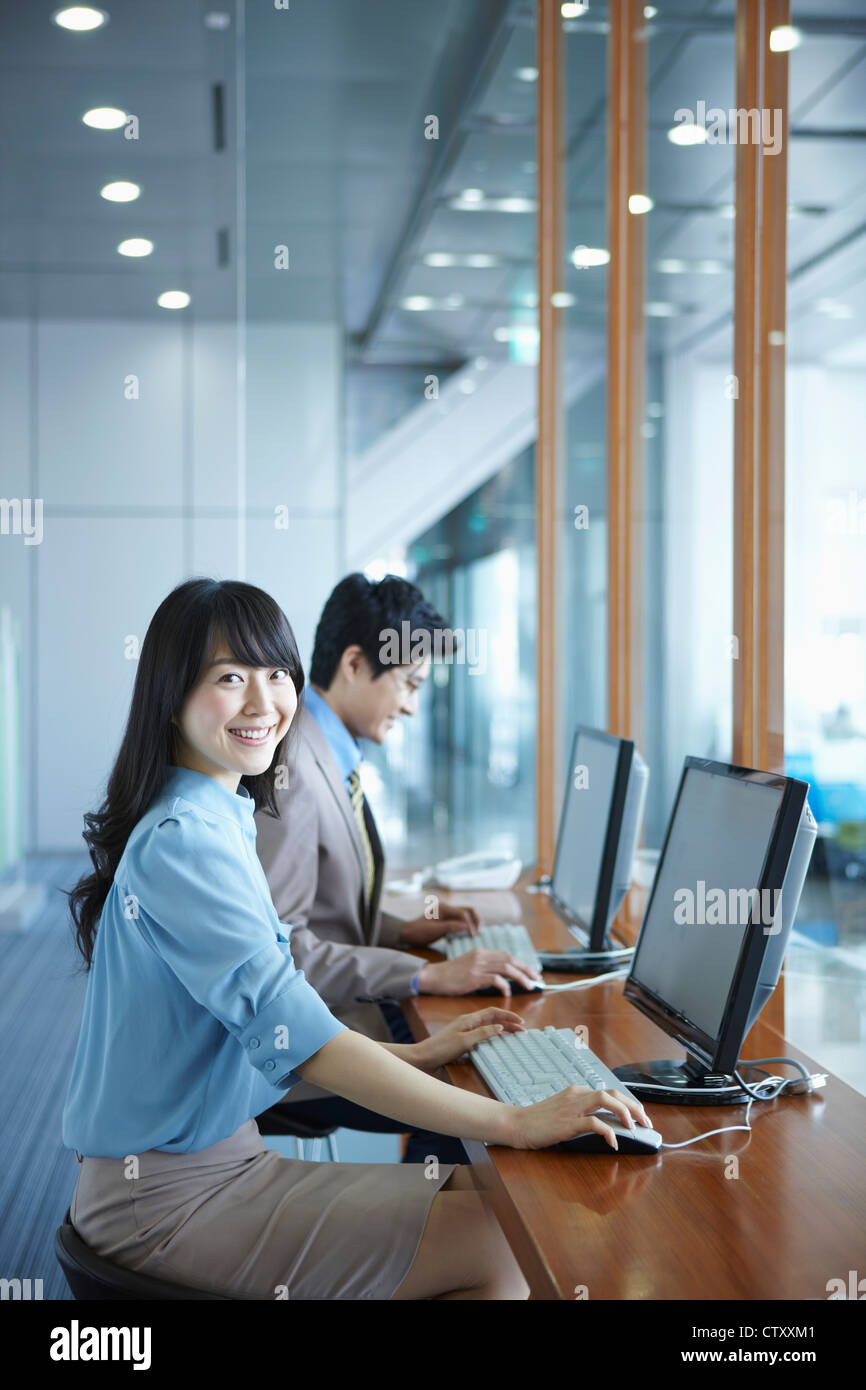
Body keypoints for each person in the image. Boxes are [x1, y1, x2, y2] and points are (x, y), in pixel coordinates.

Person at [62, 577, 650, 1301]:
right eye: (229, 678)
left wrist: (417, 1051)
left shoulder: (217, 813)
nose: (264, 701)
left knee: (494, 1200)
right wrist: (513, 1119)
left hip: (220, 1162)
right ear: (172, 692)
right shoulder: (187, 841)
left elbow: (264, 1027)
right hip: (165, 1203)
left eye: (277, 674)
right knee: (502, 1244)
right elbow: (297, 1032)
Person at [254, 573, 540, 1163]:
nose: (412, 705)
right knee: (472, 1093)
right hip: (304, 1045)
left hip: (340, 1009)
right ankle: (425, 1237)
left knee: (481, 1062)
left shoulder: (326, 750)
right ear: (356, 664)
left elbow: (323, 905)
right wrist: (422, 975)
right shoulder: (296, 768)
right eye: (409, 683)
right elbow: (279, 953)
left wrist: (402, 931)